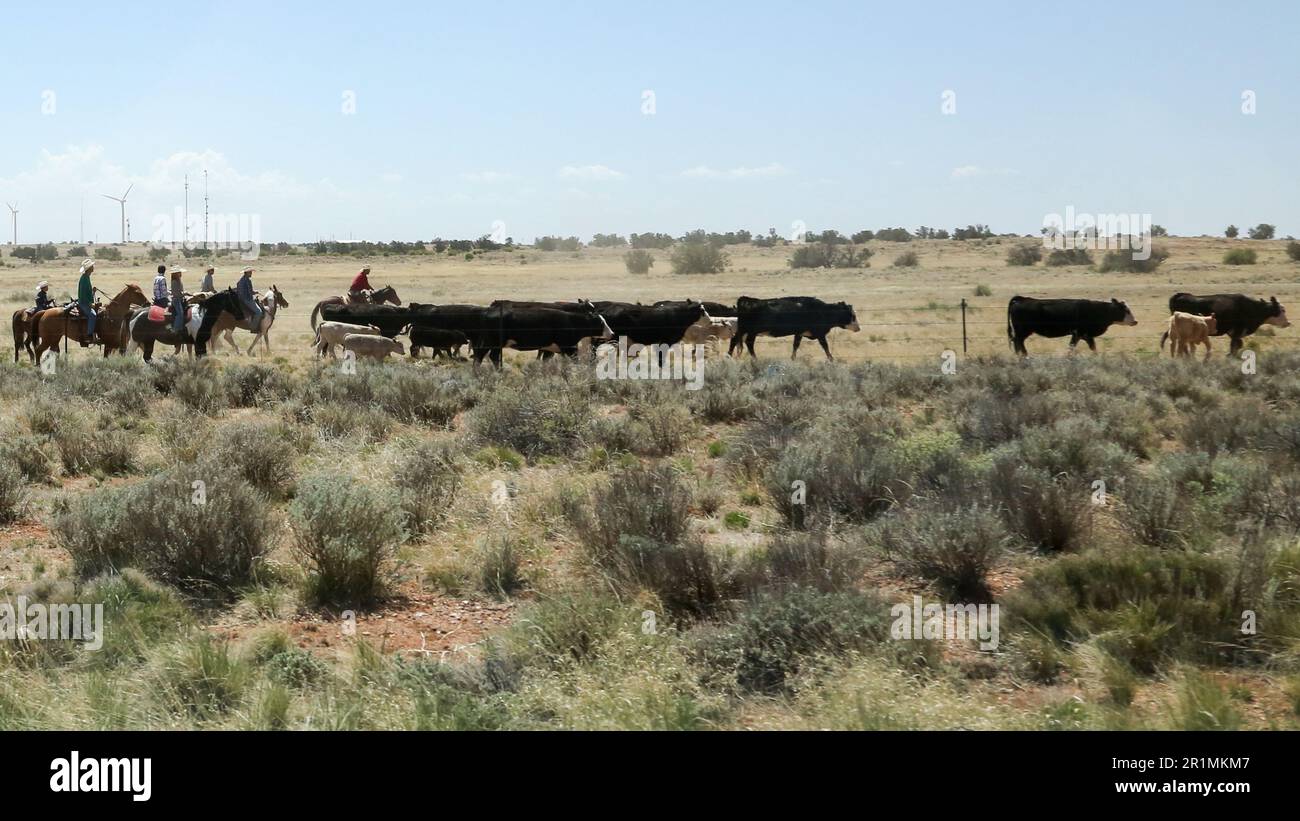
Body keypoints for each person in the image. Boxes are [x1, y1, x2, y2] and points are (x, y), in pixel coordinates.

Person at [77, 259, 96, 346]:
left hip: (87, 302)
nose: (93, 267)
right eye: (92, 266)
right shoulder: (84, 279)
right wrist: (89, 304)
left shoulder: (87, 277)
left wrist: (93, 292)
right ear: (89, 268)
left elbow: (87, 293)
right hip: (83, 303)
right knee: (93, 315)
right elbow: (82, 295)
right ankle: (89, 336)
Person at [169, 266, 187, 335]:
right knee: (180, 313)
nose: (180, 273)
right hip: (176, 300)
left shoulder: (179, 281)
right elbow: (176, 293)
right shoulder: (174, 282)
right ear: (176, 274)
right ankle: (175, 330)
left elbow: (180, 291)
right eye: (179, 272)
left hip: (180, 298)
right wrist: (184, 294)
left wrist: (184, 293)